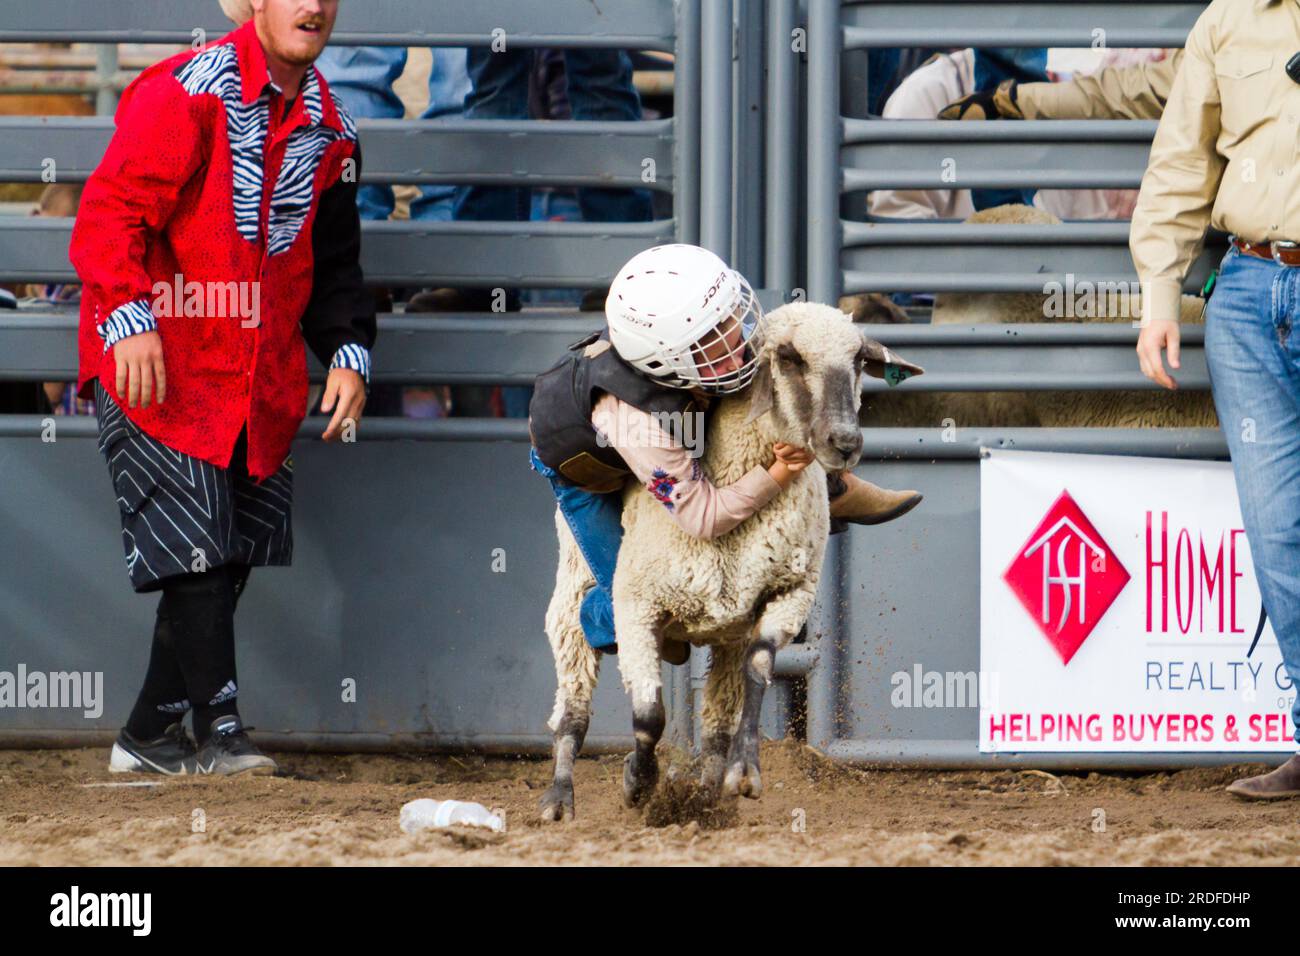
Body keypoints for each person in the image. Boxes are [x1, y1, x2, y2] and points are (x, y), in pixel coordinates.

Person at [70, 0, 375, 775]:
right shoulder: (184, 92)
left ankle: (145, 738)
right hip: (160, 361)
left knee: (224, 555)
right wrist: (128, 316)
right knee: (199, 551)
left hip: (256, 381)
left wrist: (347, 350)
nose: (314, 5)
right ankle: (221, 734)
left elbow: (335, 263)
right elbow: (108, 214)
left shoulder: (334, 130)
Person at [527, 244, 923, 662]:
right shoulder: (632, 419)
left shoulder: (706, 348)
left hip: (677, 422)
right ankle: (594, 619)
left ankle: (832, 485)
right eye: (715, 344)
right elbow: (703, 516)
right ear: (672, 358)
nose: (739, 345)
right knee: (626, 593)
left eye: (732, 320)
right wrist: (776, 476)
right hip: (590, 476)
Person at [1130, 0, 1300, 798]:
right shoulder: (1229, 16)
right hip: (1247, 291)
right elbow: (1181, 159)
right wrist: (1161, 296)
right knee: (1278, 533)